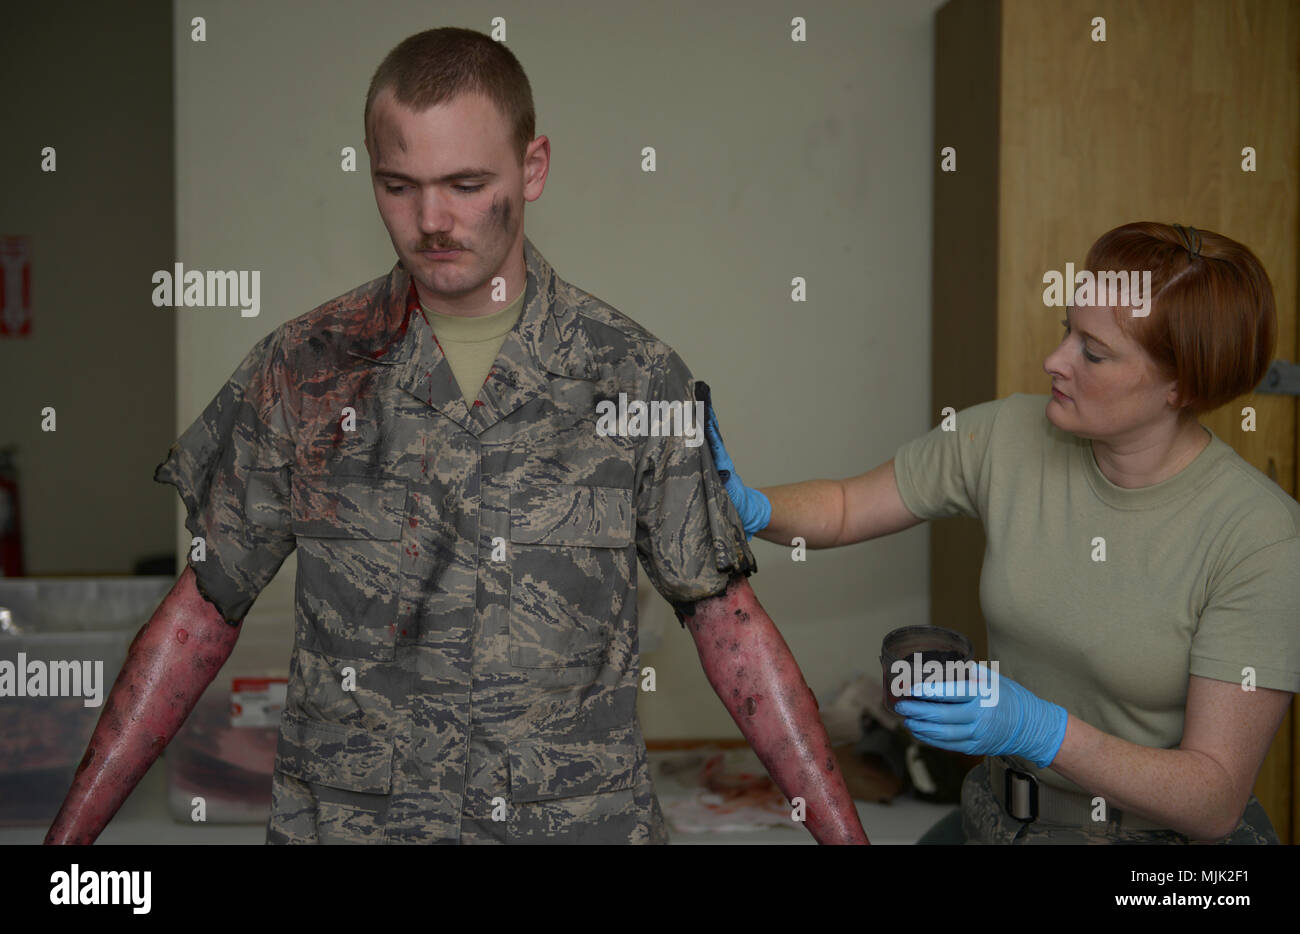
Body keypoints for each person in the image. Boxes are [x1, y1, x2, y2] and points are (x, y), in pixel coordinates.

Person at [44, 27, 868, 845]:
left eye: (466, 184)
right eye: (398, 186)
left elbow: (727, 622)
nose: (431, 220)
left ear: (533, 167)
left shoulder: (633, 377)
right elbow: (201, 614)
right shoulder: (304, 371)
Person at [707, 221, 1299, 844]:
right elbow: (850, 505)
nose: (1056, 360)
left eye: (1092, 353)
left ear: (1182, 386)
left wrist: (1040, 731)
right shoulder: (1009, 437)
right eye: (1066, 329)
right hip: (998, 816)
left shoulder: (1259, 539)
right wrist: (747, 506)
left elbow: (1213, 799)